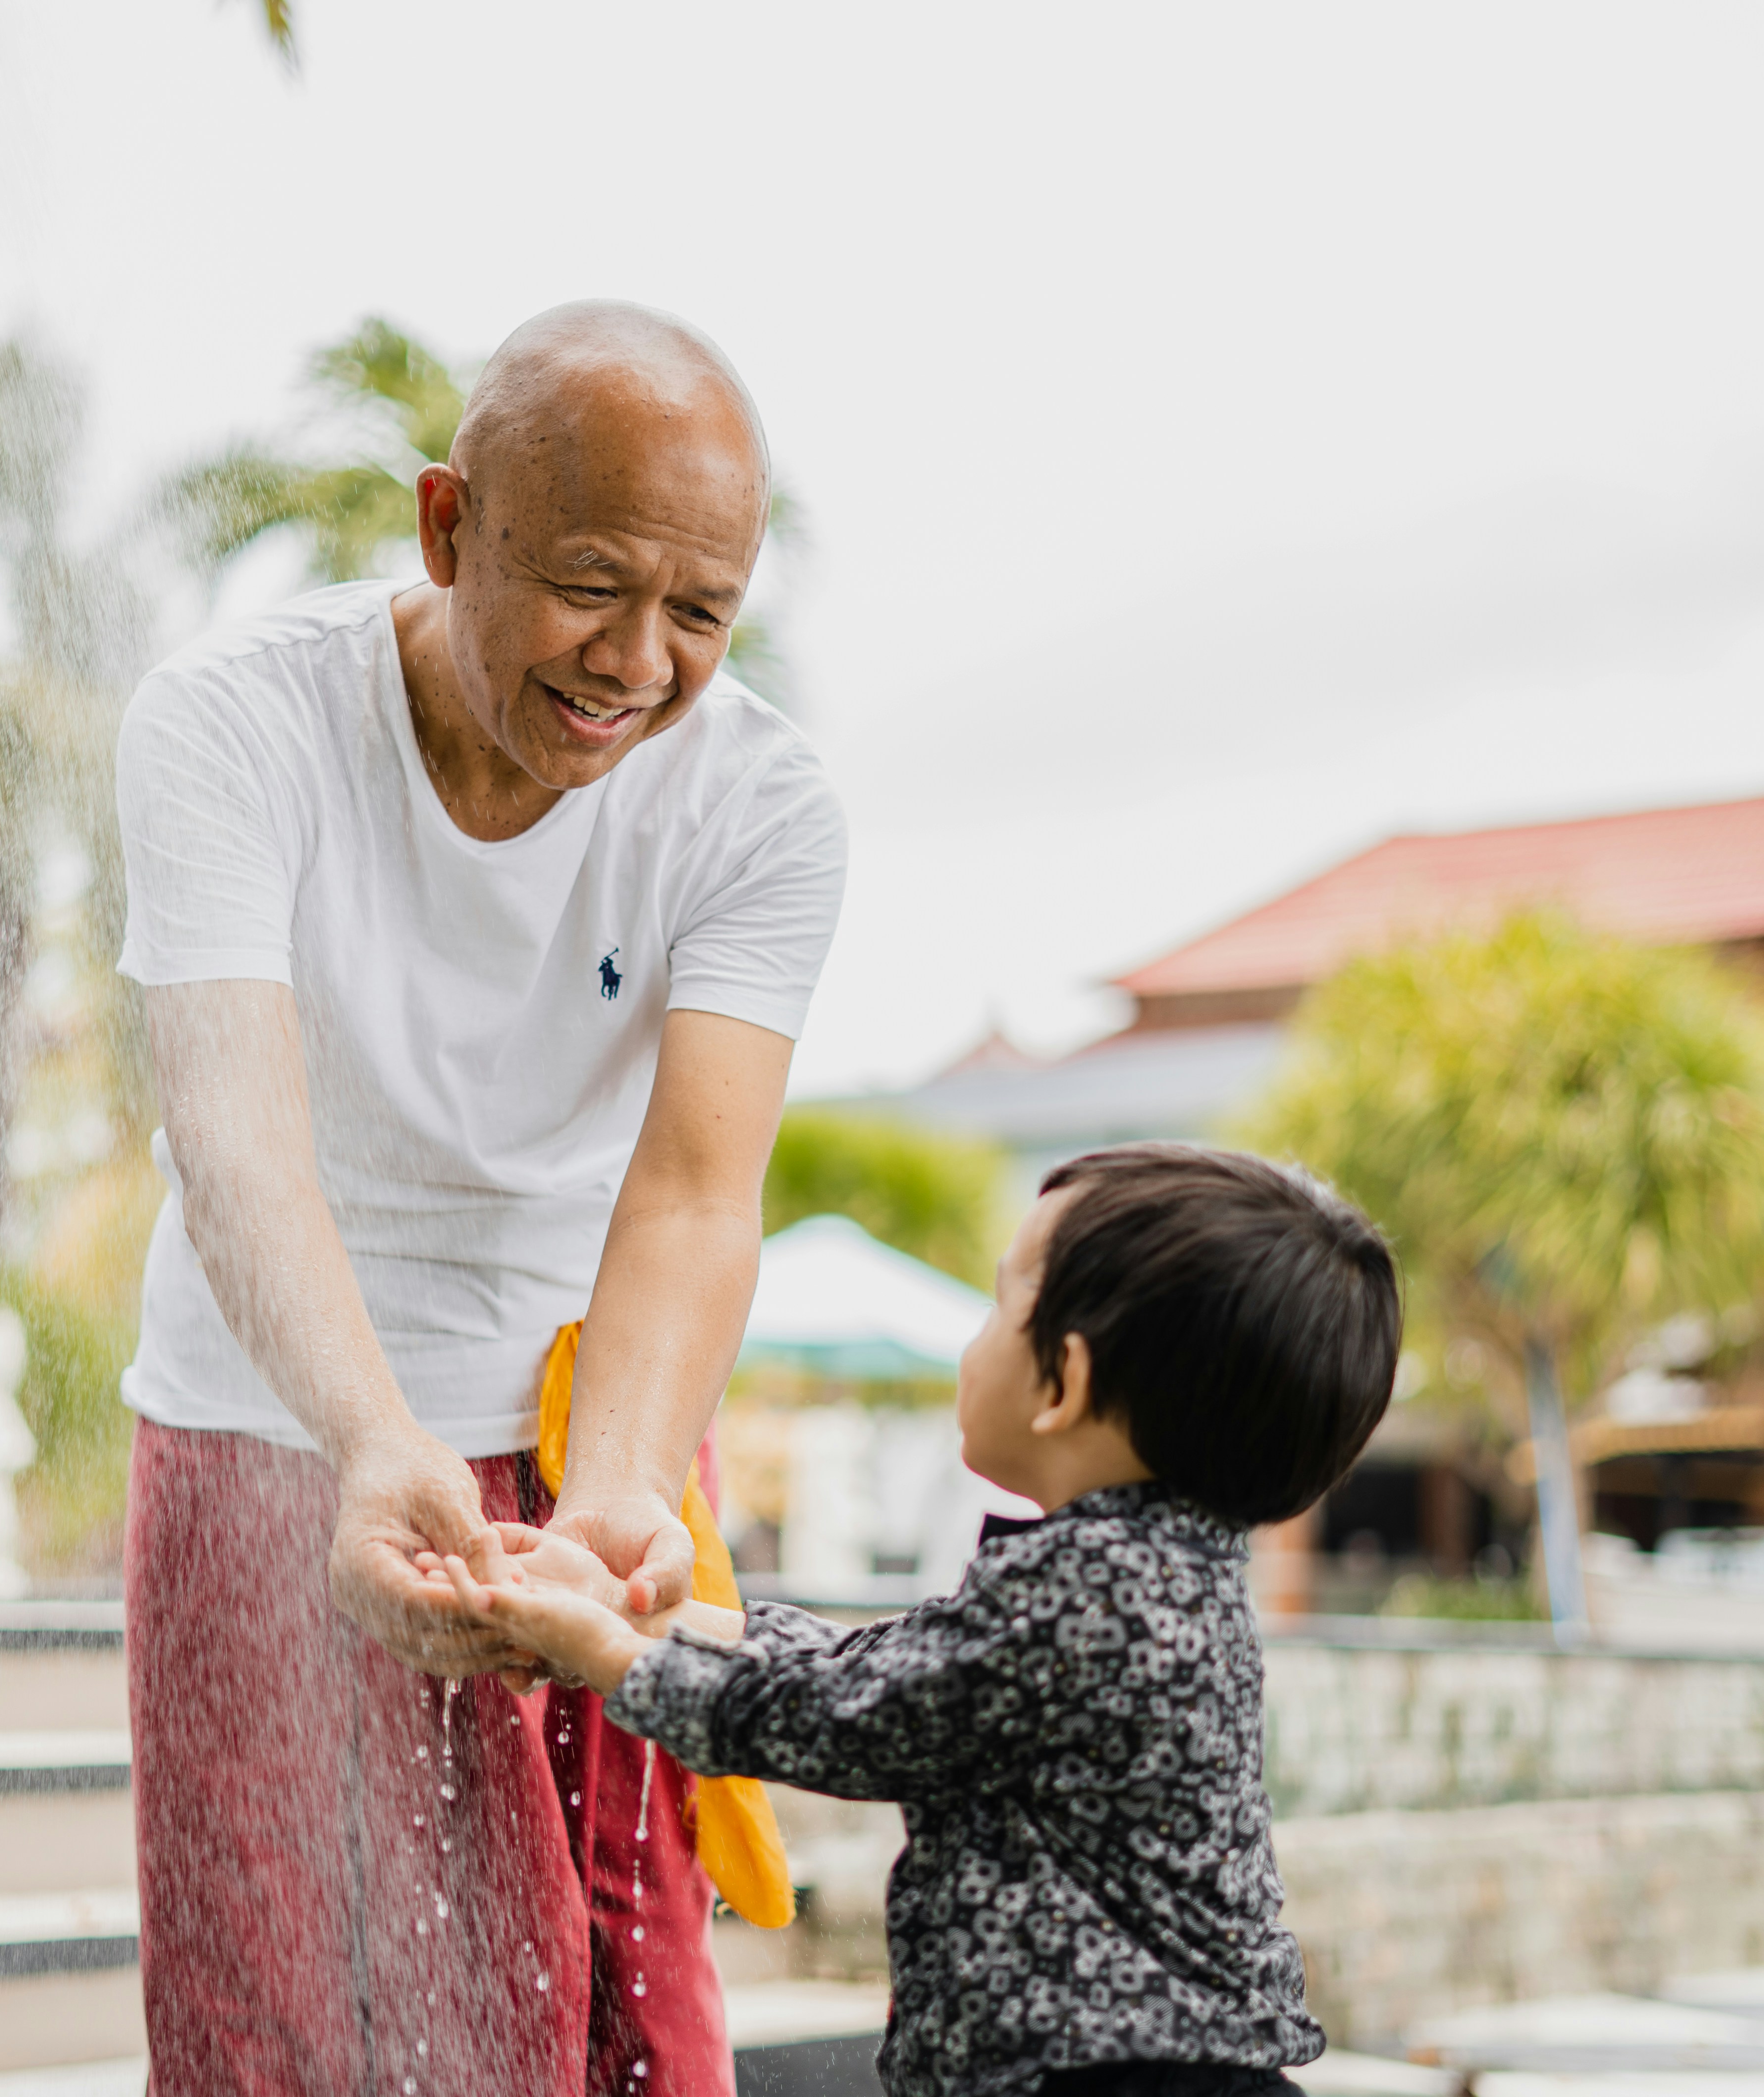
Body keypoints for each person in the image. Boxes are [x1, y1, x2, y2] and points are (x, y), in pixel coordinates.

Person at [114, 301, 846, 2096]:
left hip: (583, 1419)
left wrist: (607, 1506)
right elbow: (236, 1138)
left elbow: (690, 1194)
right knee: (265, 2010)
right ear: (450, 528)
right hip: (266, 1432)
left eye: (702, 614)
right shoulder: (235, 722)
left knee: (620, 2015)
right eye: (594, 585)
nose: (640, 664)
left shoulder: (762, 802)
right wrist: (366, 1438)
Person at [433, 1144, 1403, 2097]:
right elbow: (891, 1665)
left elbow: (846, 1717)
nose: (973, 1341)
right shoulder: (1162, 1579)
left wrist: (606, 1653)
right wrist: (653, 1616)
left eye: (998, 1304)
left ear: (1060, 1383)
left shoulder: (1096, 1595)